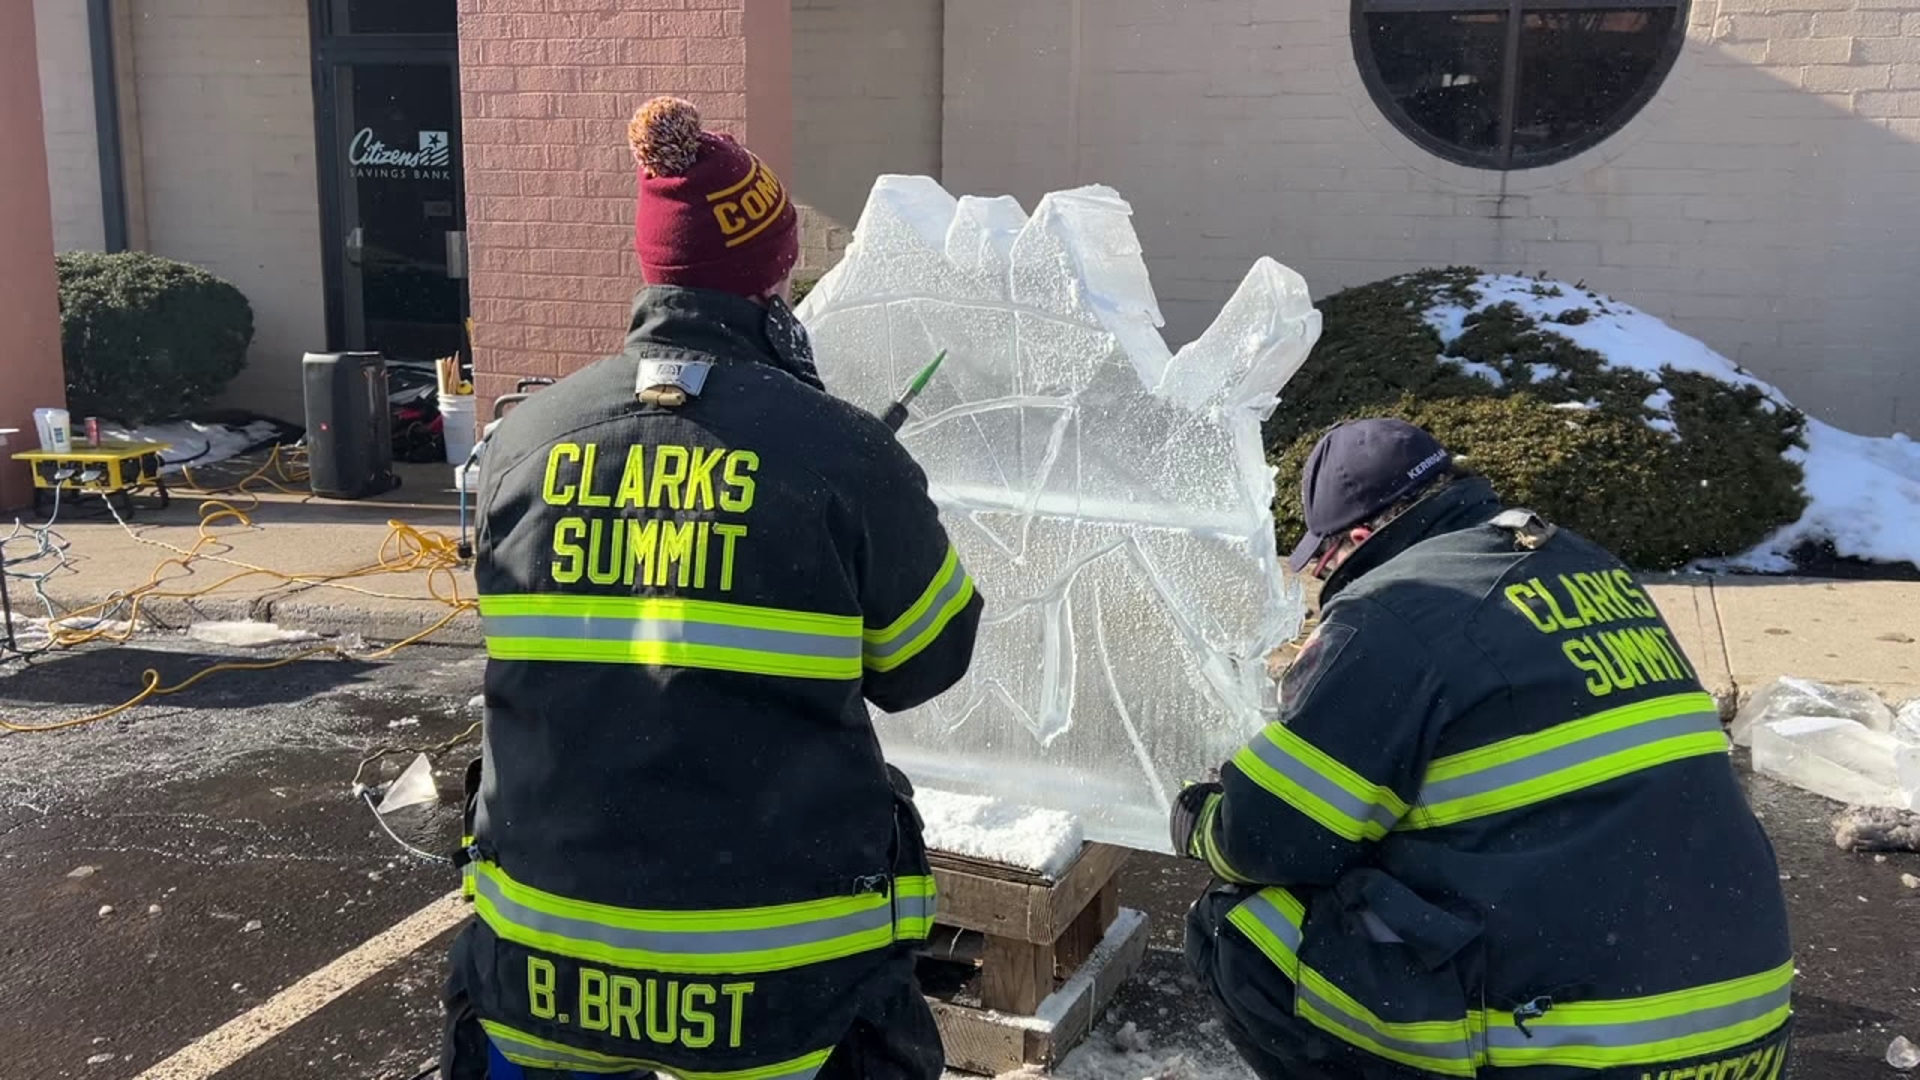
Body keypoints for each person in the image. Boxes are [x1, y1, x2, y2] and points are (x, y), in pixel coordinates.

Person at [440, 97, 983, 1080]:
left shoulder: (518, 445)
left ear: (655, 273)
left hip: (541, 974)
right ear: (771, 284)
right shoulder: (844, 454)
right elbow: (926, 664)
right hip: (780, 998)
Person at [1170, 418, 1794, 1080]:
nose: (1325, 580)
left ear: (1357, 538)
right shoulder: (1588, 567)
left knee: (1244, 927)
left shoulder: (1398, 611)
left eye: (1322, 563)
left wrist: (1200, 818)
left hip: (1588, 1059)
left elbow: (1271, 836)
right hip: (1744, 1036)